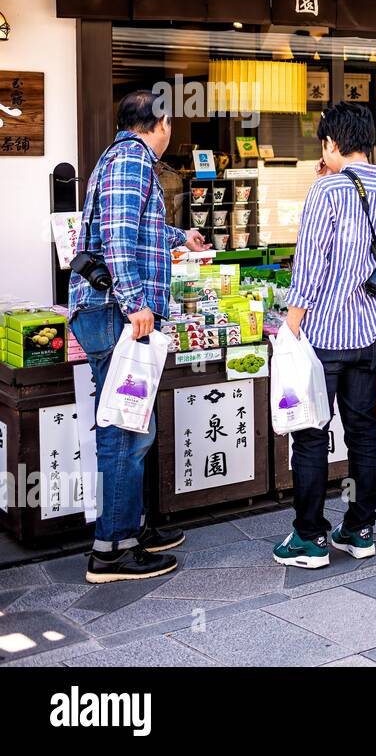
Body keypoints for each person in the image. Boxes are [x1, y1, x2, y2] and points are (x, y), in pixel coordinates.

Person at [70, 91, 210, 584]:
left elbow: (138, 228)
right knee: (124, 431)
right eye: (170, 119)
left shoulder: (122, 159)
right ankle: (112, 550)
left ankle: (131, 529)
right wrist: (134, 303)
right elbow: (118, 236)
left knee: (130, 425)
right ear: (160, 122)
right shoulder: (132, 161)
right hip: (115, 314)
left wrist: (180, 237)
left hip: (114, 314)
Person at [274, 102, 376, 569]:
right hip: (371, 330)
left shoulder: (325, 191)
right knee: (364, 429)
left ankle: (309, 538)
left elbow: (308, 267)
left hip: (324, 336)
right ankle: (360, 529)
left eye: (323, 144)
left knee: (311, 435)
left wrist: (290, 327)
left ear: (331, 143)